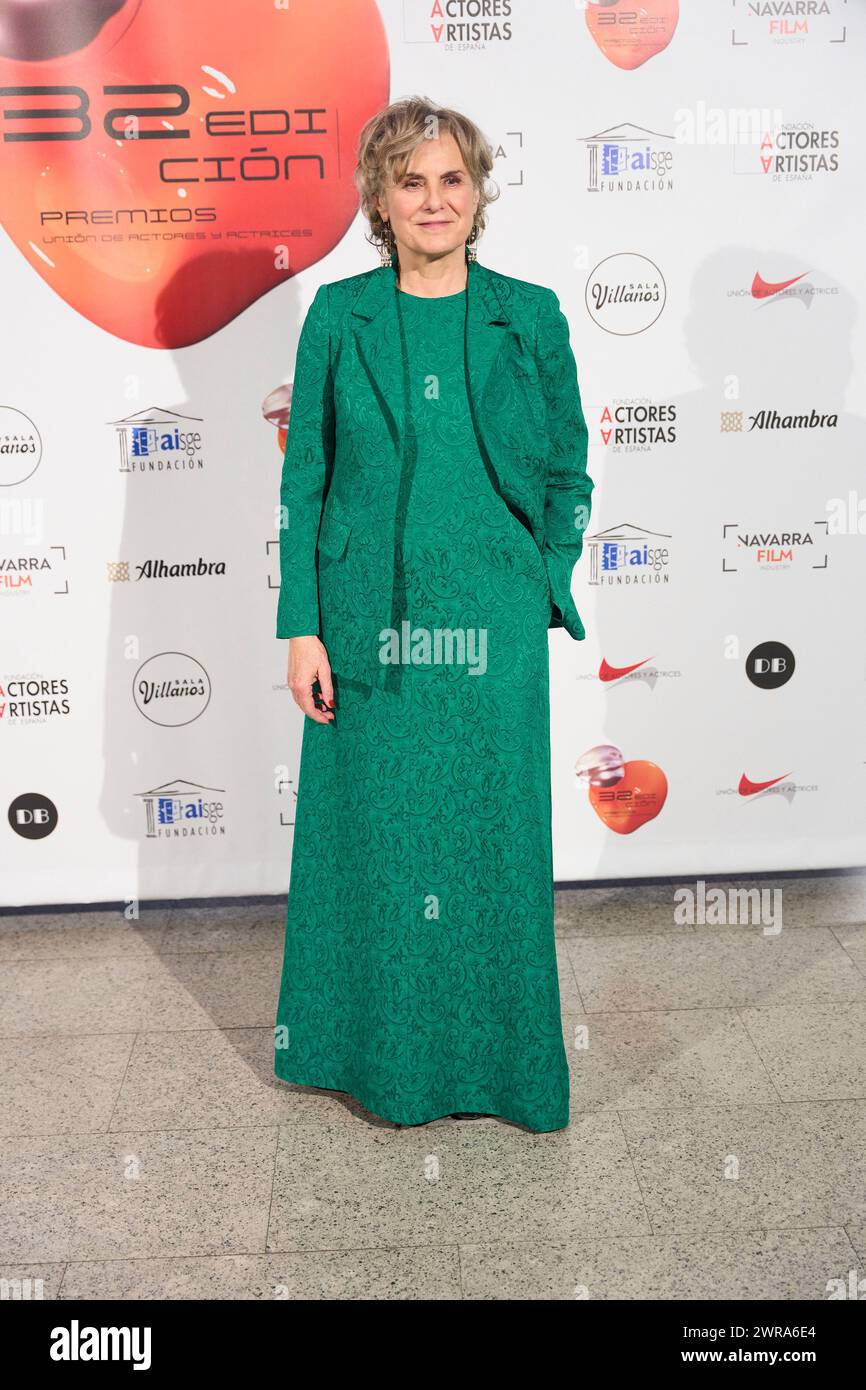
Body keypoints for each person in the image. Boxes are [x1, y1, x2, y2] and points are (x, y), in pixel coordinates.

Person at [273, 96, 594, 1133]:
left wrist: (539, 577)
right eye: (409, 181)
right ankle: (382, 1066)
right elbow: (306, 479)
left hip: (492, 631)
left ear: (477, 191)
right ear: (376, 197)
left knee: (491, 846)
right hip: (369, 629)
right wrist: (302, 621)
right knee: (377, 847)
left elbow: (565, 466)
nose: (432, 199)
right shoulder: (337, 316)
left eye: (450, 178)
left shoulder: (529, 313)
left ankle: (506, 1075)